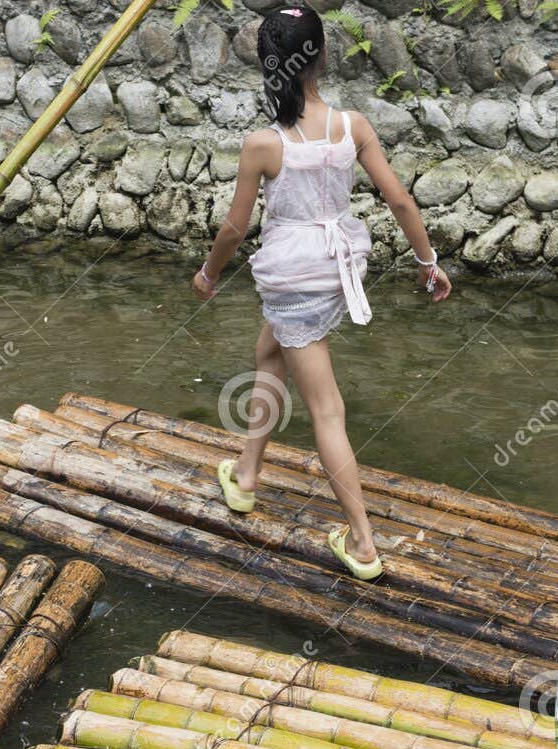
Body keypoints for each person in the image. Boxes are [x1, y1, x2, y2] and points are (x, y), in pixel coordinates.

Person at [191, 5, 451, 580]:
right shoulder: (351, 126)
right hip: (338, 271)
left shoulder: (264, 143)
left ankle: (361, 541)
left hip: (296, 280)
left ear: (266, 65)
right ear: (323, 58)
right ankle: (249, 473)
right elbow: (401, 201)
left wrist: (210, 274)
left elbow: (235, 228)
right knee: (268, 352)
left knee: (326, 413)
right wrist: (427, 262)